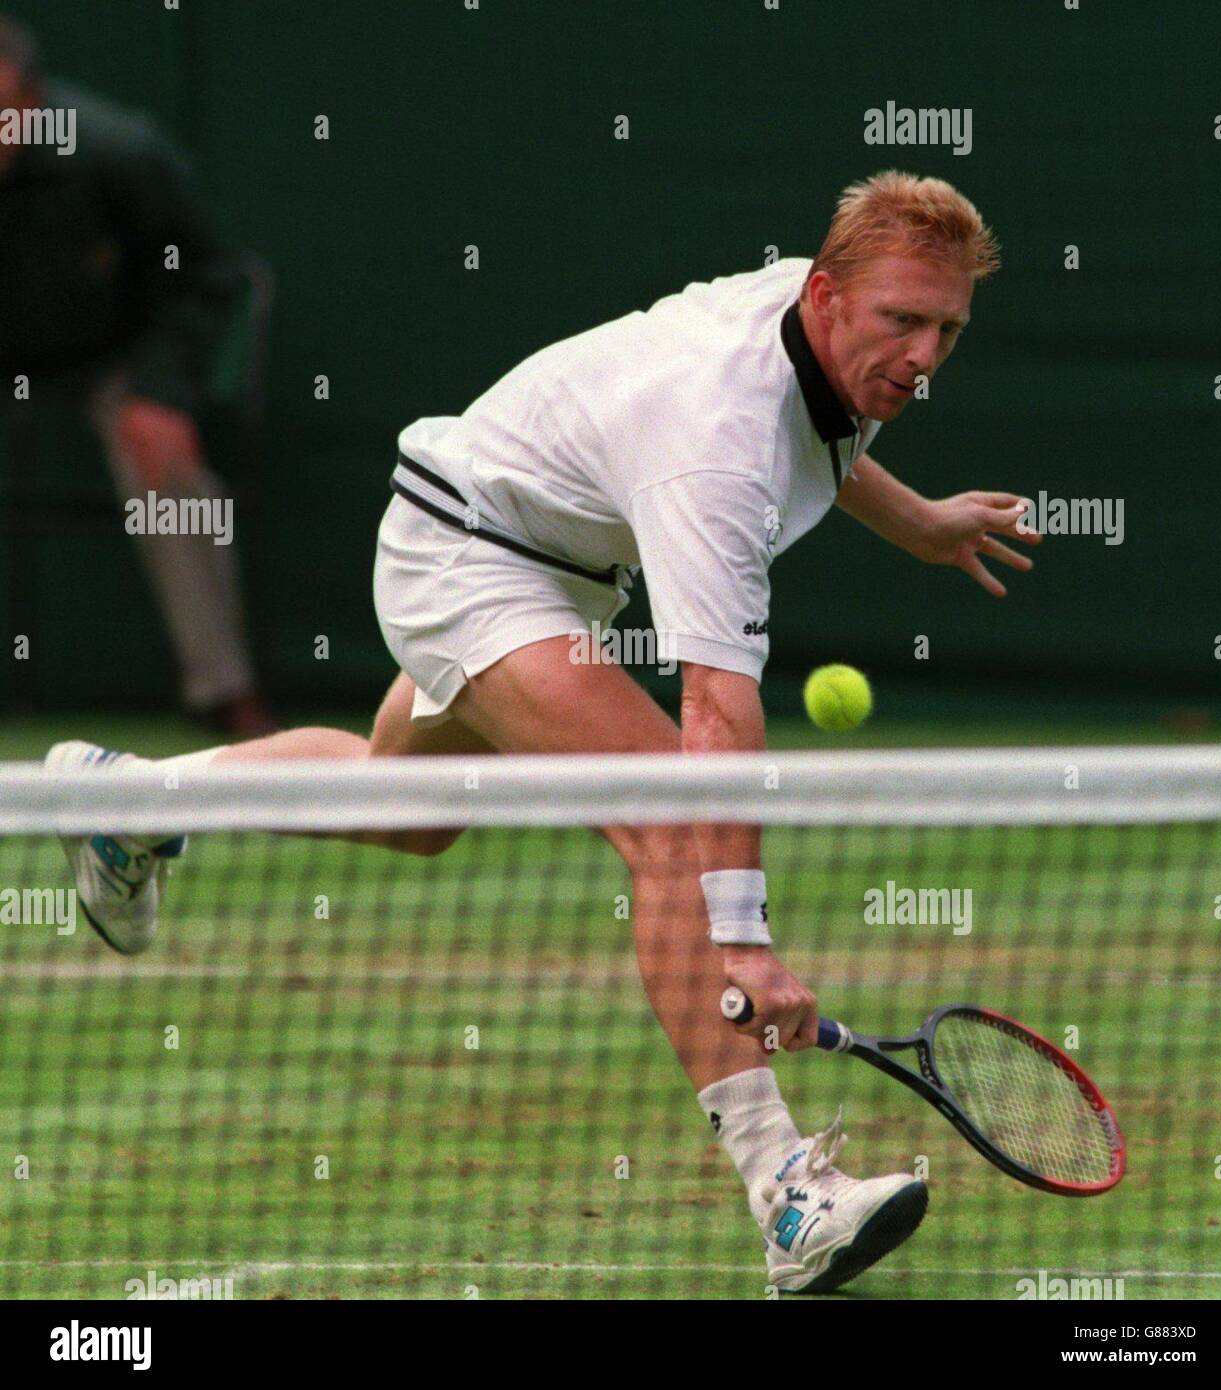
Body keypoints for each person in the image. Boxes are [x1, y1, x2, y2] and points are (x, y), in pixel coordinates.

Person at [46, 171, 1041, 1293]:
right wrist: (745, 941)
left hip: (535, 546)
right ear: (822, 295)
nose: (920, 355)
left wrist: (914, 522)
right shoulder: (714, 440)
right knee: (671, 830)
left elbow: (832, 422)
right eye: (899, 321)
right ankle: (787, 1196)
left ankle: (130, 798)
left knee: (408, 808)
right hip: (470, 555)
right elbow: (717, 708)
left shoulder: (816, 321)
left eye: (945, 328)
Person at [0, 16, 277, 736]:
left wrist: (158, 390)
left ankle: (225, 691)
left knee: (168, 474)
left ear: (31, 102)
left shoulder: (117, 153)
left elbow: (206, 277)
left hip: (108, 359)